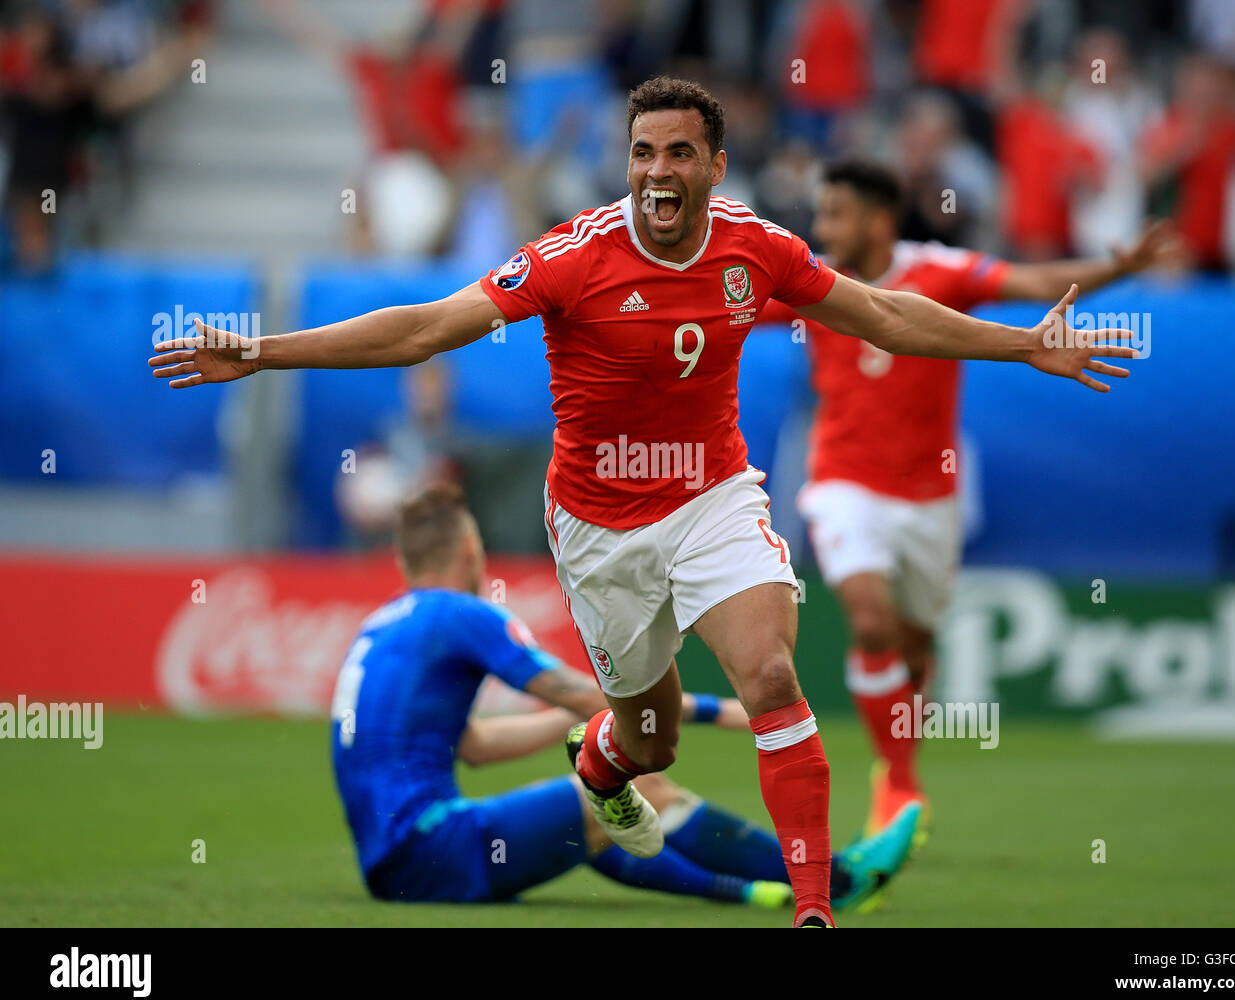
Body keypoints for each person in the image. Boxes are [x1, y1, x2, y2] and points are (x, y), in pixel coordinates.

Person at [150, 76, 1136, 928]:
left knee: (772, 678)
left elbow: (879, 310)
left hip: (711, 495)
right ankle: (603, 768)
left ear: (714, 165)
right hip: (597, 528)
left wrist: (1022, 343)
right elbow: (425, 327)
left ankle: (813, 906)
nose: (655, 172)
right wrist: (262, 351)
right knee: (649, 736)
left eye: (677, 154)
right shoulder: (575, 254)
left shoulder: (756, 250)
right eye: (640, 153)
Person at [767, 160, 1172, 841]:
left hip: (930, 495)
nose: (821, 228)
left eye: (835, 213)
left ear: (877, 219)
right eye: (821, 213)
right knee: (871, 622)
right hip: (842, 482)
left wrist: (1117, 269)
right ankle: (897, 785)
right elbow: (726, 301)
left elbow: (1035, 283)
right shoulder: (810, 282)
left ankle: (898, 763)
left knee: (917, 647)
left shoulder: (941, 273)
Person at [330, 483, 920, 911]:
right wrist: (714, 710)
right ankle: (839, 881)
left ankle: (748, 890)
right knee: (631, 791)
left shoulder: (383, 623)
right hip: (435, 844)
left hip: (392, 866)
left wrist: (584, 720)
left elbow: (476, 746)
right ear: (467, 552)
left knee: (602, 806)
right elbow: (582, 694)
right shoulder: (461, 614)